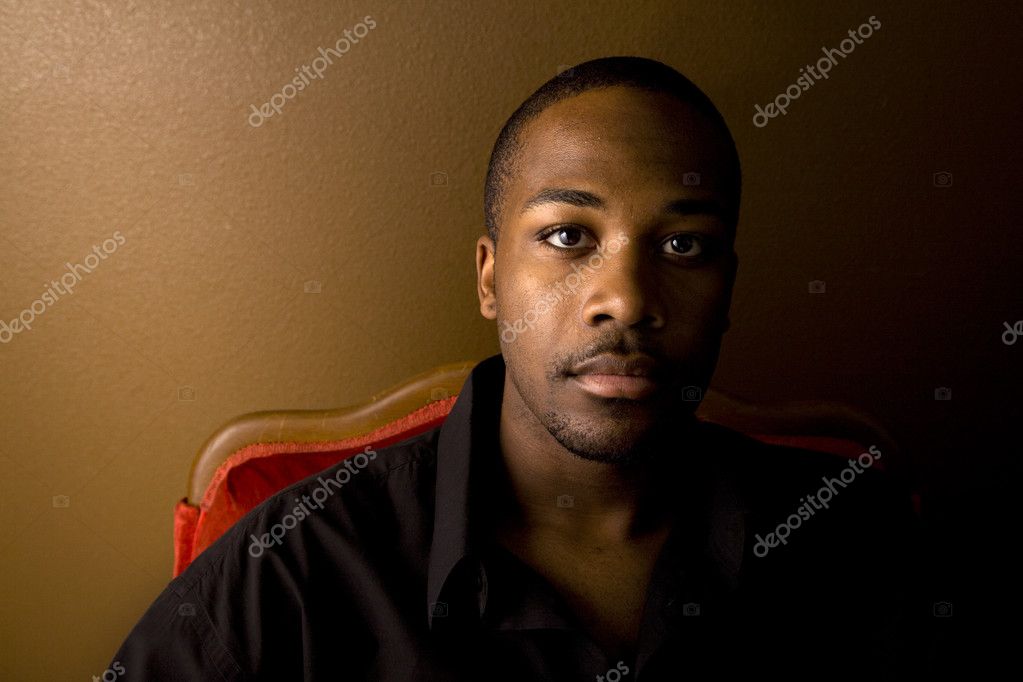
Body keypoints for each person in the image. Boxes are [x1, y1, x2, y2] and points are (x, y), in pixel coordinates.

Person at [108, 56, 931, 680]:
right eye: (569, 236)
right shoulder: (287, 578)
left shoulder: (867, 548)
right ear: (489, 278)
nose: (626, 299)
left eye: (683, 246)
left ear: (726, 290)